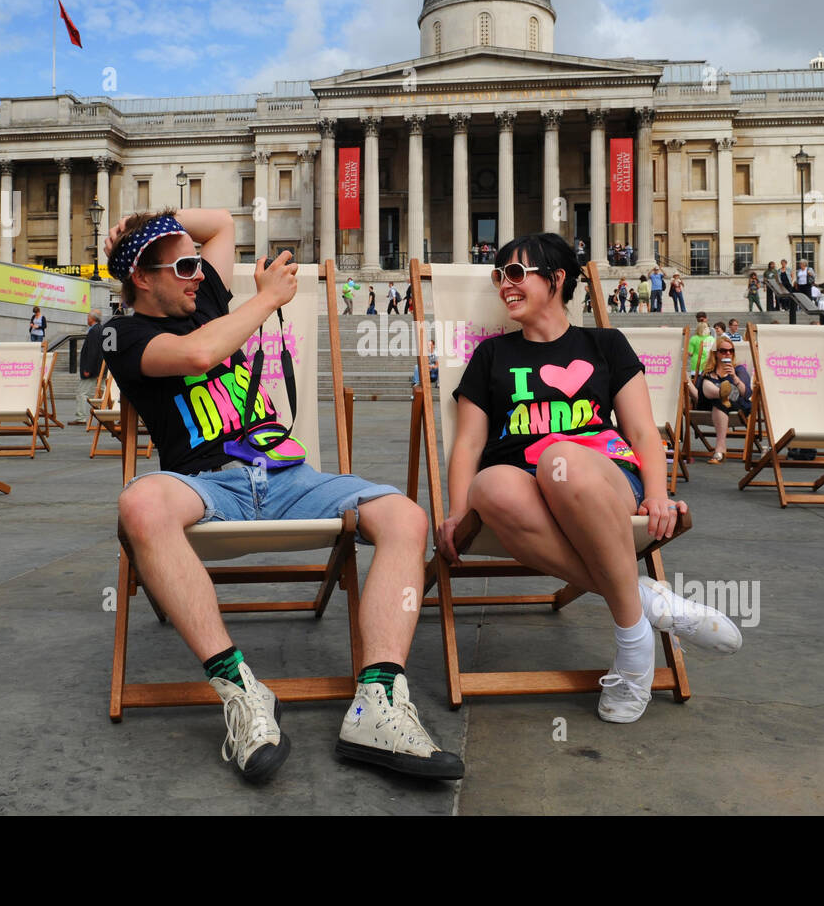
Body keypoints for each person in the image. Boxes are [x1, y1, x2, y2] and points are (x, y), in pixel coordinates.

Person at [102, 208, 463, 782]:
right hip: (207, 485)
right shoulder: (121, 333)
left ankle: (379, 702)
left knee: (404, 517)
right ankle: (242, 693)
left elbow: (220, 223)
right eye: (185, 265)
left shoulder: (208, 300)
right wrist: (267, 298)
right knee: (138, 504)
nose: (199, 274)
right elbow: (197, 355)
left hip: (290, 476)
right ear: (143, 279)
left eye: (200, 265)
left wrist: (156, 218)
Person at [442, 232, 741, 726]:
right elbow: (469, 446)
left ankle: (631, 645)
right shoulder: (491, 356)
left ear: (557, 279)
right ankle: (644, 601)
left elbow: (643, 430)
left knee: (561, 458)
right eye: (499, 276)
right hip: (520, 486)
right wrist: (456, 514)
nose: (504, 286)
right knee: (490, 485)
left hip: (602, 475)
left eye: (516, 274)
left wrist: (661, 494)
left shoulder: (604, 344)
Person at [686, 336, 748, 464]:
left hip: (734, 403)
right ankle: (721, 392)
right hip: (706, 402)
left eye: (731, 351)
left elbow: (745, 393)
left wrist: (734, 377)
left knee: (719, 402)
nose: (728, 353)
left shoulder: (739, 369)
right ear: (716, 353)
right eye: (723, 351)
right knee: (708, 384)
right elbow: (700, 395)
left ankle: (720, 448)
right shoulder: (708, 372)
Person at [74, 309, 104, 424]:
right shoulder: (101, 329)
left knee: (81, 392)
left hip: (92, 369)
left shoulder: (93, 331)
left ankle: (80, 417)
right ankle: (107, 413)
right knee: (104, 392)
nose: (87, 319)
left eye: (88, 317)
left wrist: (88, 369)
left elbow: (92, 351)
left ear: (93, 318)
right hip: (100, 369)